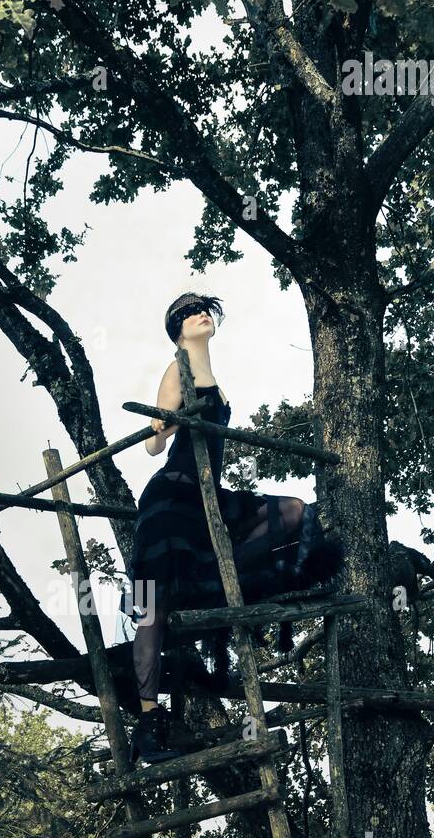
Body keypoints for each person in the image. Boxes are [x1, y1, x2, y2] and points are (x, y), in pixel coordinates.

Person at [124, 291, 341, 763]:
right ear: (177, 328)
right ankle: (147, 720)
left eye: (206, 310)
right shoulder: (176, 366)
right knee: (152, 607)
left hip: (209, 497)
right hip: (173, 498)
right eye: (188, 312)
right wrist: (162, 422)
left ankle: (240, 586)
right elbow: (152, 448)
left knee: (295, 512)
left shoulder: (210, 375)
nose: (201, 315)